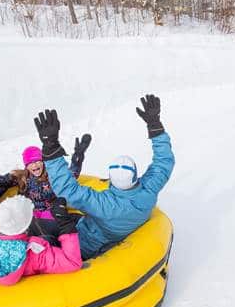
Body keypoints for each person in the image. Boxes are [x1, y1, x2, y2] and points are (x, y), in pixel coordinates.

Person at [33, 94, 174, 259]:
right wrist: (155, 125)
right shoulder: (149, 191)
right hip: (100, 233)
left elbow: (66, 190)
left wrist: (51, 147)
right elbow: (164, 162)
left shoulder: (105, 205)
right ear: (135, 175)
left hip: (84, 246)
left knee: (37, 228)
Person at [0, 134, 91, 242]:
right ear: (26, 165)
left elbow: (71, 175)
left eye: (38, 161)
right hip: (30, 220)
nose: (35, 165)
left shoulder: (52, 175)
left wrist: (78, 155)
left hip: (53, 216)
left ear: (43, 162)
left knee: (85, 222)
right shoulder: (21, 177)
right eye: (31, 163)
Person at [0, 193, 83, 285]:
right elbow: (72, 262)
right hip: (28, 303)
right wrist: (65, 224)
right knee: (48, 238)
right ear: (27, 226)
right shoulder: (36, 252)